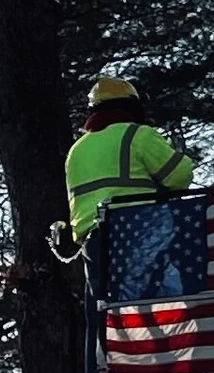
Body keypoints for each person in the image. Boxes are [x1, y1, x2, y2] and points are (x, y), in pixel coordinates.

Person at [65, 75, 197, 245]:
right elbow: (181, 176)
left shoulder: (77, 150)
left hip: (92, 242)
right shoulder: (137, 134)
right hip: (139, 230)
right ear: (131, 107)